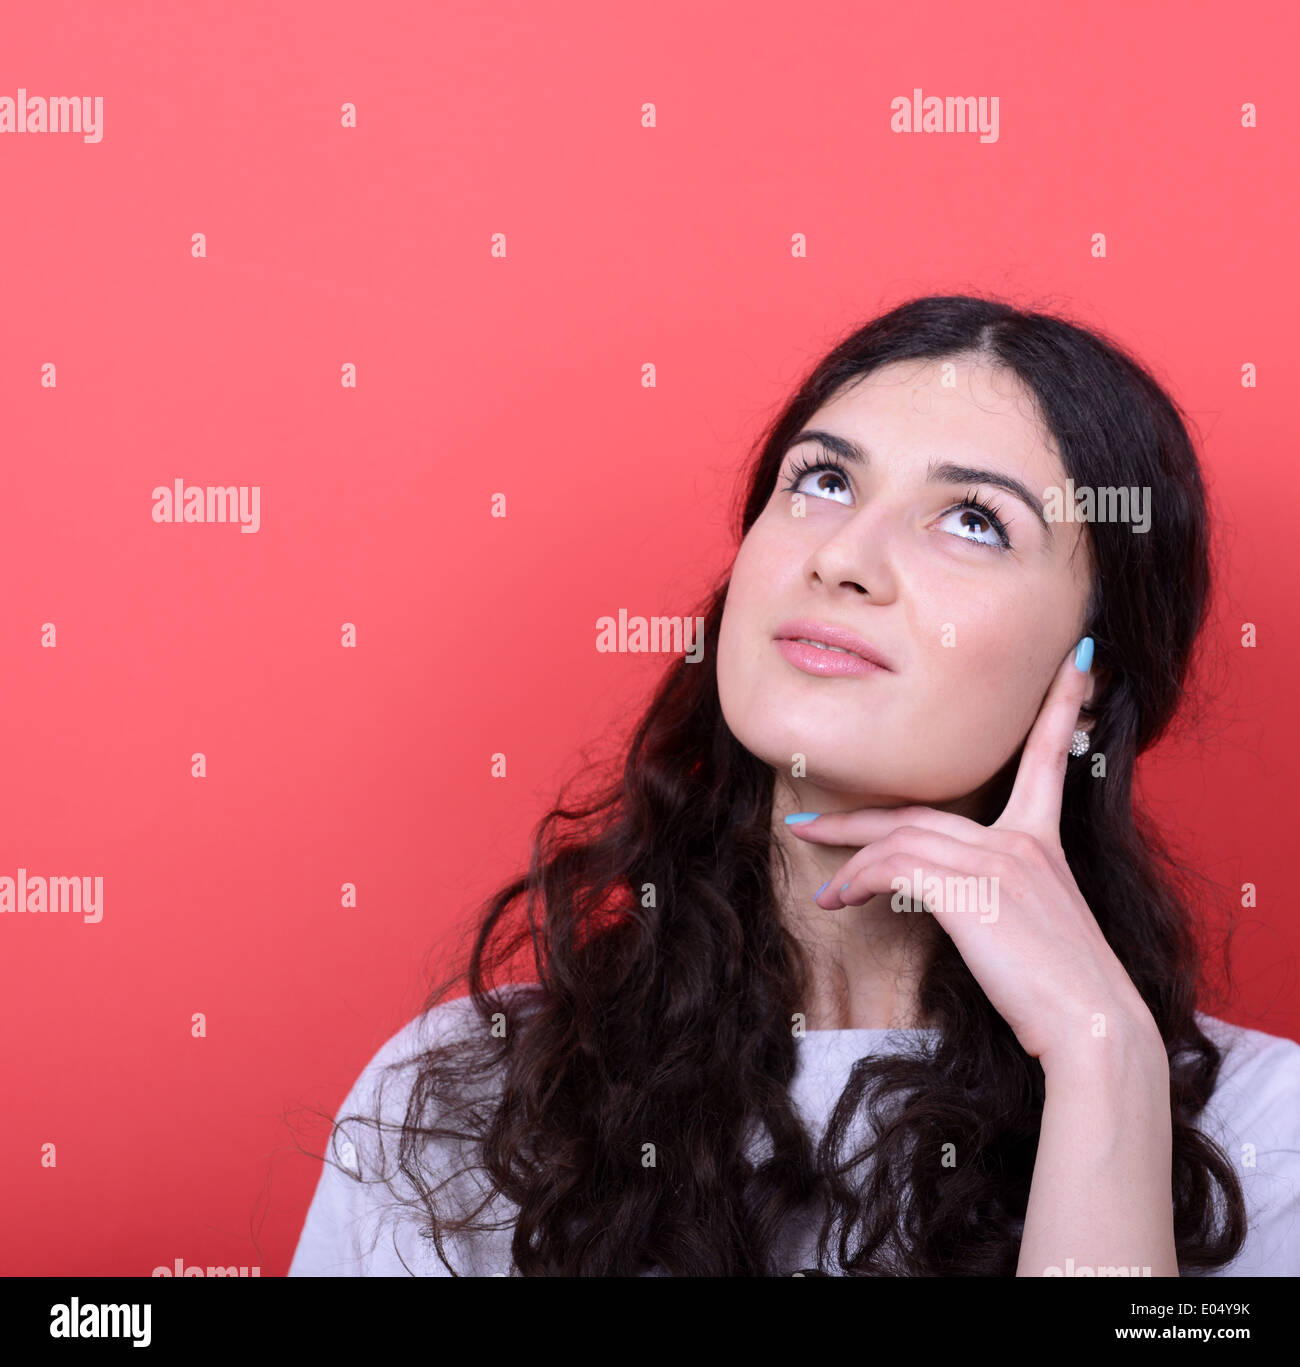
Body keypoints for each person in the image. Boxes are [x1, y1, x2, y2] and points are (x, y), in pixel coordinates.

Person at [289, 294, 1300, 1277]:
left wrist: (1102, 1060)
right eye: (819, 481)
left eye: (973, 520)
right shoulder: (468, 1100)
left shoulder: (1264, 1135)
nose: (844, 557)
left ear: (1095, 678)